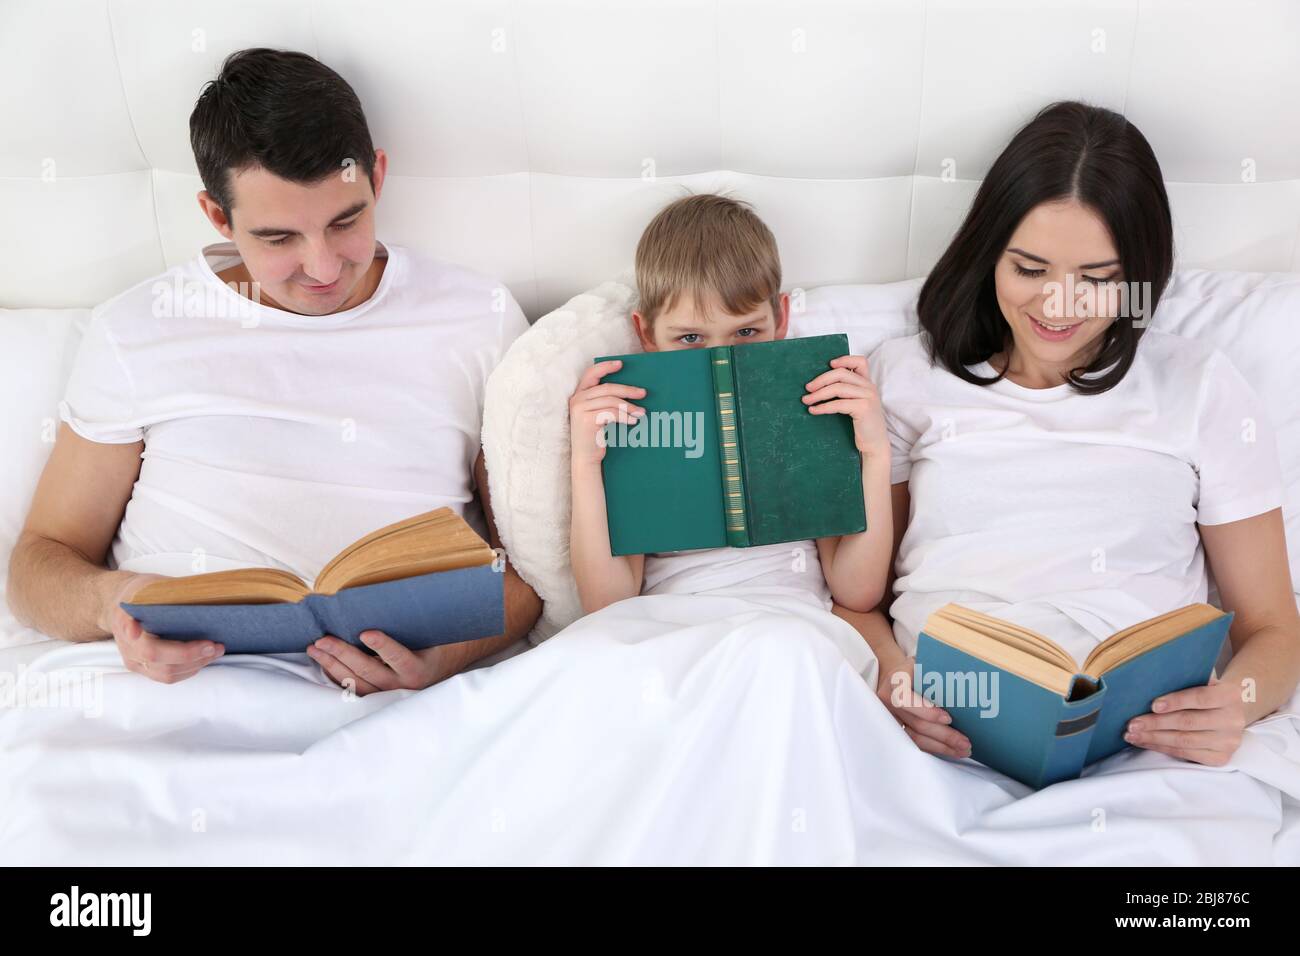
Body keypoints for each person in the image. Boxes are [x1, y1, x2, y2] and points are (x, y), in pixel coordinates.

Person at [6, 48, 541, 695]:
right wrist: (112, 602)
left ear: (376, 176)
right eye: (279, 239)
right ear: (217, 217)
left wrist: (448, 657)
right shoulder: (137, 327)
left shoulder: (474, 316)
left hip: (390, 698)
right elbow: (39, 563)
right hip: (168, 689)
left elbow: (532, 566)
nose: (322, 268)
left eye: (347, 221)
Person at [860, 101, 1300, 766]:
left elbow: (1274, 629)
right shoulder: (905, 377)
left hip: (1145, 745)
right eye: (1029, 270)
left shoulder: (1199, 384)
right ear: (989, 257)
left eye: (1096, 279)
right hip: (944, 739)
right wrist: (895, 685)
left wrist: (1234, 701)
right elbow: (857, 601)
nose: (1056, 305)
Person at [568, 193, 896, 645]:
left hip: (789, 630)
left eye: (746, 332)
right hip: (671, 635)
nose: (721, 356)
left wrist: (876, 453)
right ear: (645, 332)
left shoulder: (811, 395)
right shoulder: (633, 410)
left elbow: (857, 591)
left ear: (780, 317)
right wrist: (585, 464)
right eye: (689, 337)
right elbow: (607, 605)